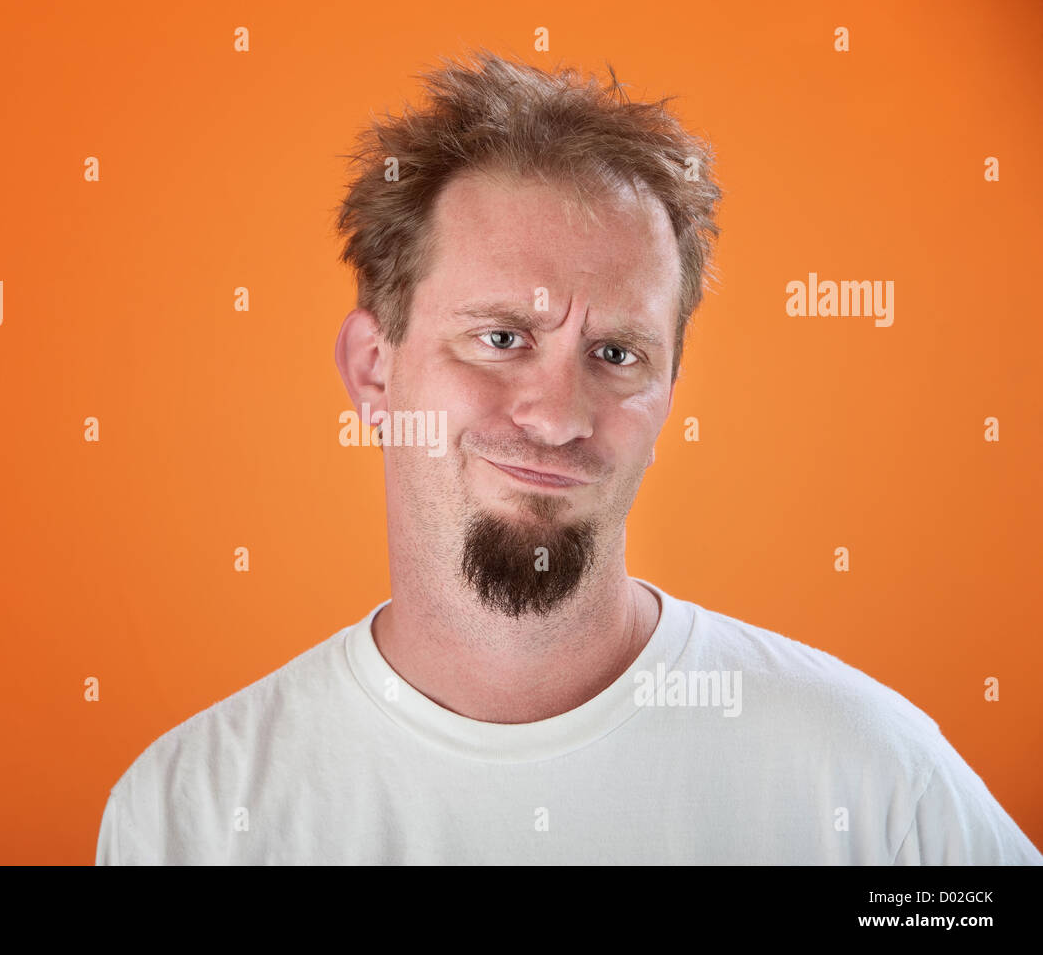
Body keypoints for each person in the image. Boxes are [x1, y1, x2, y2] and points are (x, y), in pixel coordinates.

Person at [95, 49, 1041, 864]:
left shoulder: (870, 778)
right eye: (501, 338)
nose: (556, 417)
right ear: (374, 372)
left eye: (617, 355)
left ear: (667, 394)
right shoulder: (194, 816)